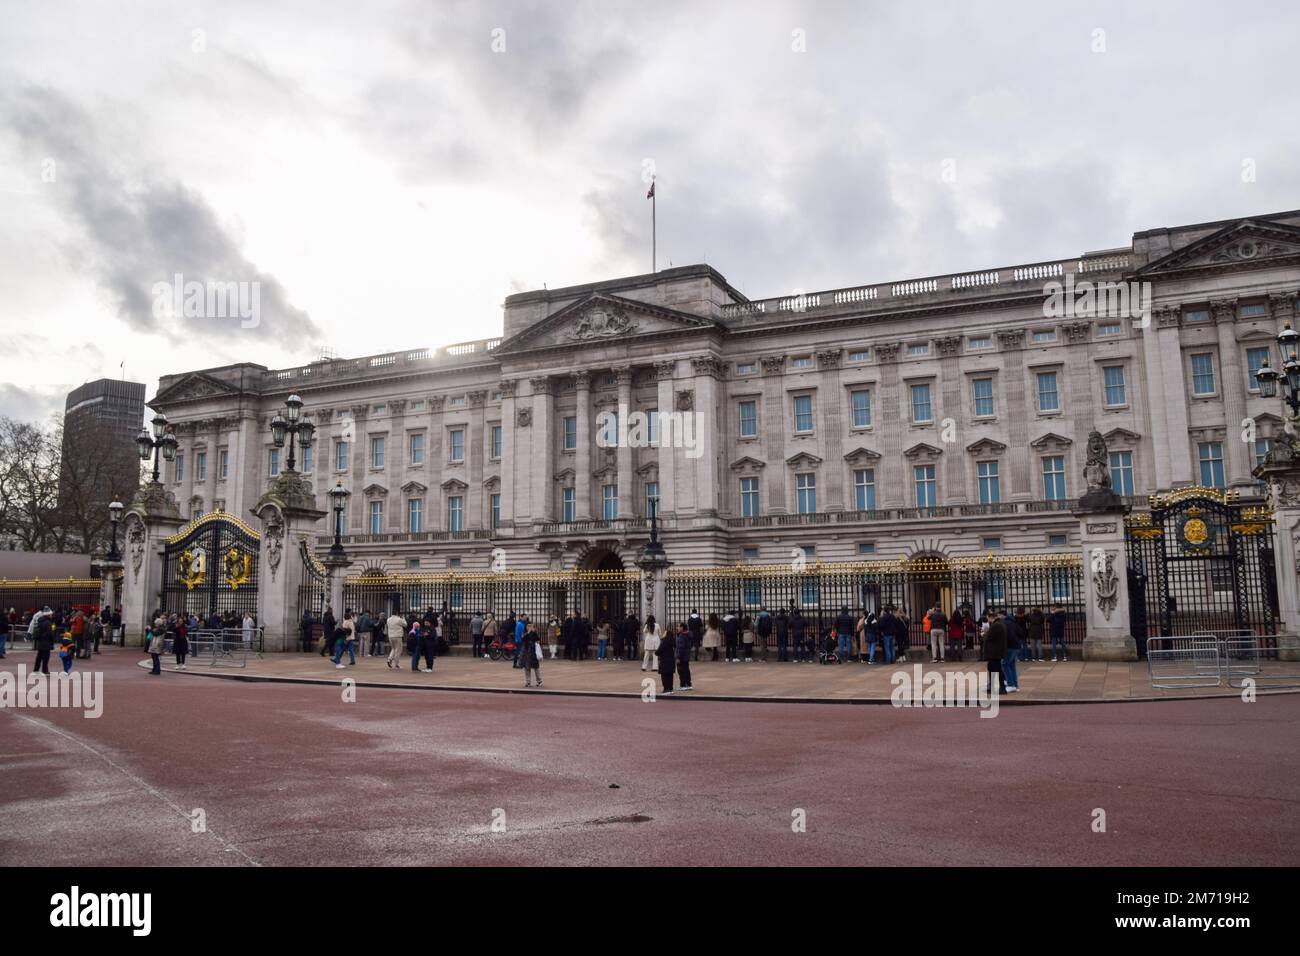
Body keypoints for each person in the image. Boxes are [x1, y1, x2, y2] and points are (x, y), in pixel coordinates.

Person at [983, 609, 1008, 695]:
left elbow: (990, 638)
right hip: (996, 652)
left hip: (994, 652)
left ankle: (1001, 688)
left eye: (988, 618)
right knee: (992, 668)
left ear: (991, 617)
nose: (988, 620)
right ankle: (993, 686)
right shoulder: (999, 624)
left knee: (997, 670)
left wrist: (985, 634)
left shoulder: (996, 625)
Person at [1002, 608, 1022, 693]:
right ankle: (1015, 685)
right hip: (1017, 646)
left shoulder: (1006, 624)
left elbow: (1008, 636)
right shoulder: (1014, 622)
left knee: (1005, 664)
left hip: (1010, 647)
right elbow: (1021, 633)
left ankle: (1011, 684)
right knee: (1012, 665)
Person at [520, 621, 543, 688]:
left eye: (531, 626)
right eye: (528, 626)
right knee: (527, 668)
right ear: (526, 627)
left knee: (536, 667)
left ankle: (539, 681)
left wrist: (534, 632)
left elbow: (538, 639)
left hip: (533, 652)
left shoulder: (534, 633)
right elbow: (523, 639)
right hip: (526, 652)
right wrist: (528, 632)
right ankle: (528, 682)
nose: (529, 627)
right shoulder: (525, 633)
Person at [656, 621, 676, 695]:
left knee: (664, 676)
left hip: (664, 661)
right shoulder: (672, 642)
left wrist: (657, 653)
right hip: (671, 661)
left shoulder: (664, 642)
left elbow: (658, 651)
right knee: (670, 676)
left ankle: (666, 689)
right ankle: (670, 689)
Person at [674, 622, 693, 691]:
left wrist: (678, 657)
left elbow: (680, 648)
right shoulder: (687, 635)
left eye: (678, 626)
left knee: (681, 671)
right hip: (686, 656)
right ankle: (688, 684)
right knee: (686, 670)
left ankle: (683, 685)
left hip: (681, 656)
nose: (677, 628)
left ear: (682, 628)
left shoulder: (682, 636)